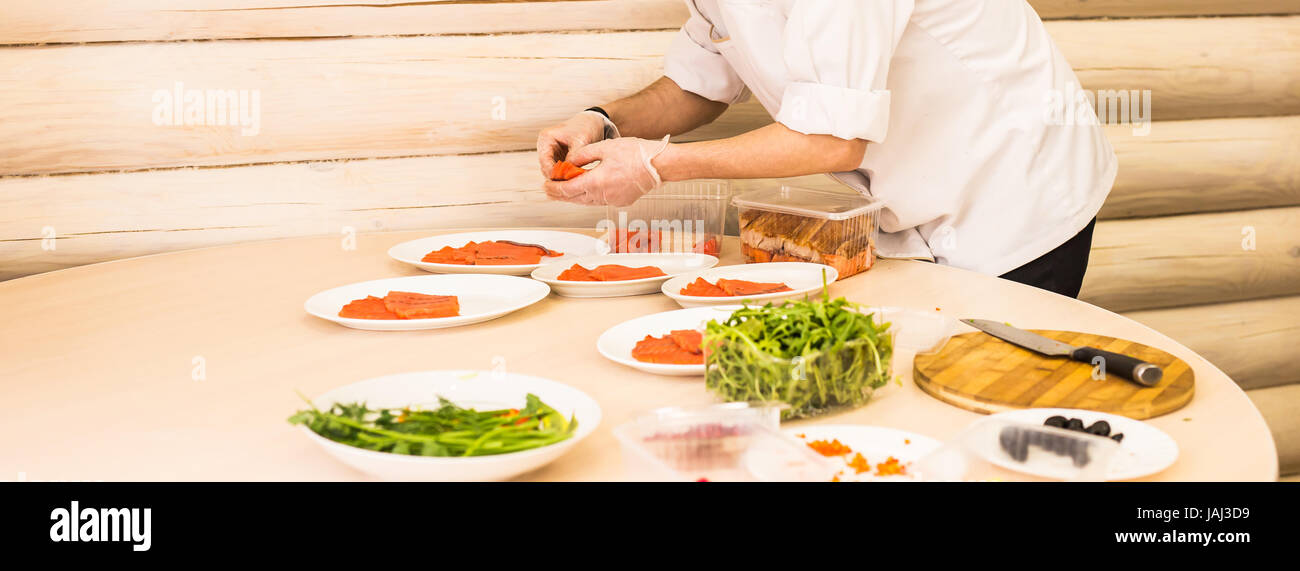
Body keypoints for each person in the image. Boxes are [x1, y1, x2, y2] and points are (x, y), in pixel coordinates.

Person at [536, 0, 1116, 298]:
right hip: (920, 204)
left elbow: (832, 140)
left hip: (1017, 190)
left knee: (988, 398)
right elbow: (701, 82)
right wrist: (602, 120)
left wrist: (654, 166)